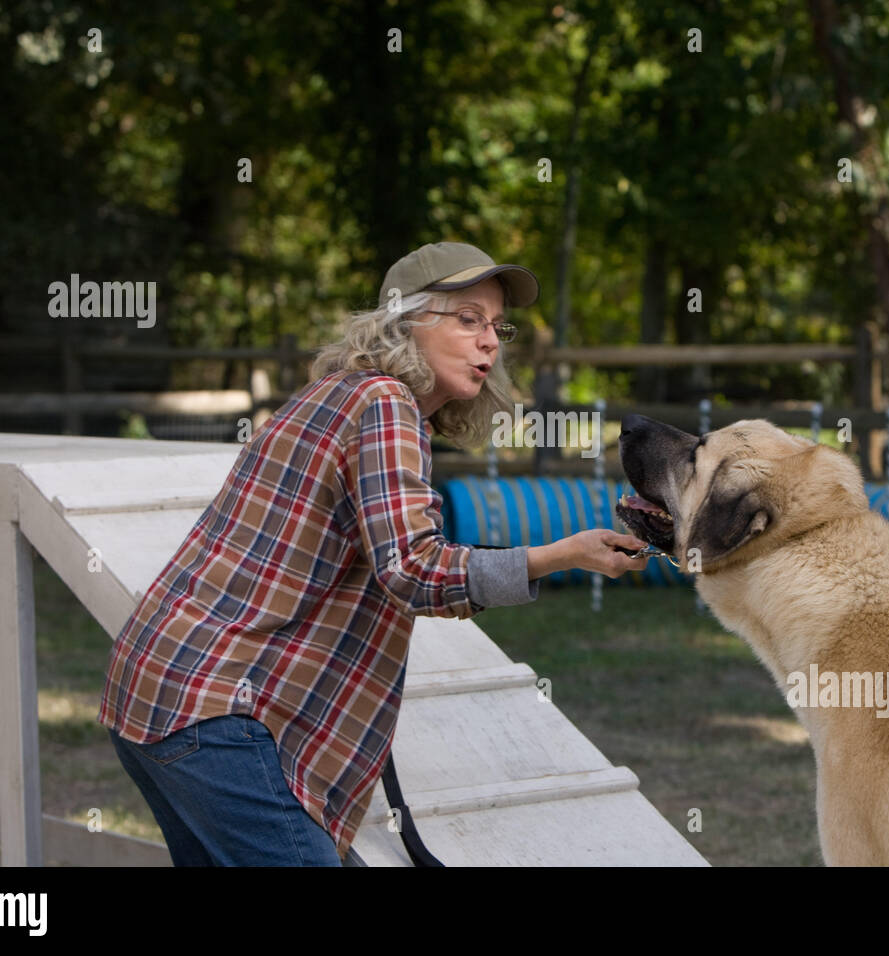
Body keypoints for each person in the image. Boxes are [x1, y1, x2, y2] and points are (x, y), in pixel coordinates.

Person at [98, 241, 649, 866]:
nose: (491, 342)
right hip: (215, 712)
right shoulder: (385, 405)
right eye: (467, 319)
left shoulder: (340, 394)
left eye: (497, 326)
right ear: (404, 321)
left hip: (159, 692)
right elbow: (412, 569)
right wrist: (556, 555)